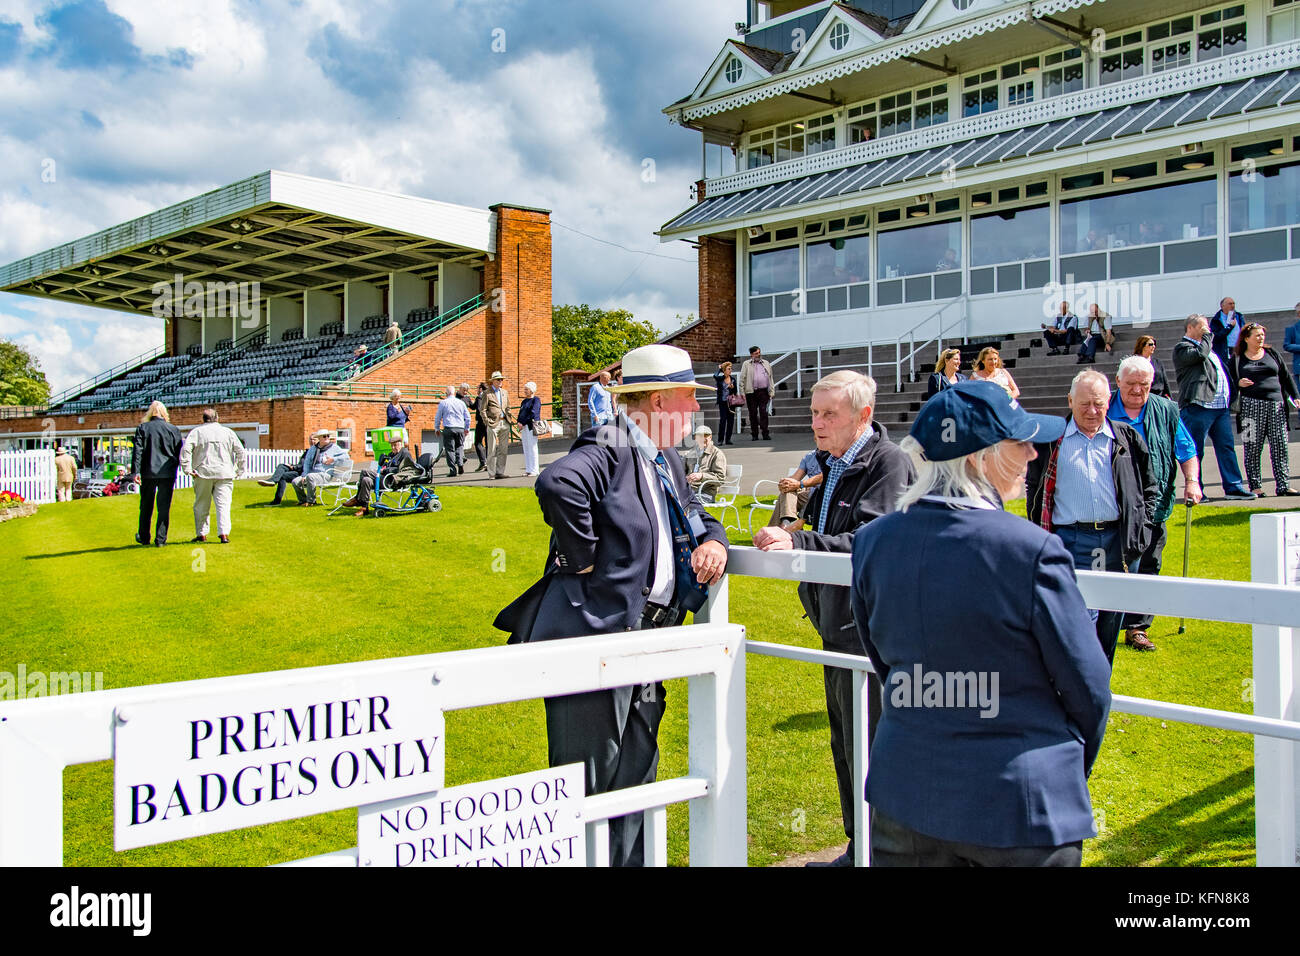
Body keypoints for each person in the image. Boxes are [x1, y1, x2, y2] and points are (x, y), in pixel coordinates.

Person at [852, 380, 1111, 867]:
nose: (1033, 454)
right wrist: (1060, 765)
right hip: (1018, 807)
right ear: (978, 457)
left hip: (906, 796)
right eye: (1020, 442)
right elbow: (1089, 686)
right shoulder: (1031, 550)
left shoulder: (874, 542)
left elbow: (885, 662)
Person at [492, 343, 728, 867]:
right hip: (594, 637)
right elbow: (557, 483)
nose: (696, 408)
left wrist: (714, 540)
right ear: (660, 402)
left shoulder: (665, 457)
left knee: (637, 773)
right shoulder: (612, 440)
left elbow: (695, 511)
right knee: (588, 782)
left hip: (644, 638)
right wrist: (581, 558)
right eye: (689, 397)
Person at [753, 370, 913, 867]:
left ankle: (880, 853)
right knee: (846, 741)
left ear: (864, 416)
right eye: (814, 413)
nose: (818, 423)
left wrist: (799, 540)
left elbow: (873, 539)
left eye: (829, 415)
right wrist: (791, 530)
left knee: (870, 745)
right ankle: (860, 847)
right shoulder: (833, 462)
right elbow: (832, 528)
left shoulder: (888, 462)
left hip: (871, 632)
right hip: (837, 626)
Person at [1026, 370, 1158, 665]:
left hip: (1117, 543)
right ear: (1070, 401)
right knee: (1076, 623)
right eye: (1084, 403)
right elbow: (1034, 489)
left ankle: (1102, 685)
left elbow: (1149, 486)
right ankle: (1076, 684)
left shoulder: (1126, 437)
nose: (1092, 411)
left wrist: (1141, 527)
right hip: (1070, 541)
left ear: (1109, 402)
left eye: (1098, 403)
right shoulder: (1052, 441)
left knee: (1110, 622)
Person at [1108, 356, 1204, 651]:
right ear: (1118, 381)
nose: (1138, 390)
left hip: (1154, 500)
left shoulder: (1166, 410)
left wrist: (1192, 481)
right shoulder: (1102, 406)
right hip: (1111, 500)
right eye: (1131, 384)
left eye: (1145, 384)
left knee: (1149, 563)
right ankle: (1104, 622)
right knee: (1111, 564)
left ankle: (1136, 627)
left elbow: (1186, 450)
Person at [1174, 313, 1256, 500]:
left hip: (1220, 407)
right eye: (1202, 327)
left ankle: (1234, 487)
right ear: (1190, 328)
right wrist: (1207, 337)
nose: (1207, 330)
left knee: (1226, 447)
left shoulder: (1208, 348)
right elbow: (1199, 355)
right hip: (1198, 406)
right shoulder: (1183, 348)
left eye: (1207, 327)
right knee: (1195, 450)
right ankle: (1196, 490)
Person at [1231, 323, 1299, 497]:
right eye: (1257, 335)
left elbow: (1285, 376)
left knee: (1280, 446)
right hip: (1249, 407)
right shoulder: (1237, 358)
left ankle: (1283, 485)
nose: (1261, 338)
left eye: (1262, 335)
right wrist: (1238, 383)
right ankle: (1255, 486)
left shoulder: (1272, 353)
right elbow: (1228, 380)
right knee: (1252, 447)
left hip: (1276, 406)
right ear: (1247, 338)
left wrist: (1296, 396)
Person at [180, 408, 245, 544]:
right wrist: (240, 469)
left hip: (203, 472)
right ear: (217, 418)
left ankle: (202, 534)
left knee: (201, 505)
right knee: (223, 505)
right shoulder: (228, 432)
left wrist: (187, 469)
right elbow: (240, 451)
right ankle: (224, 533)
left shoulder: (197, 432)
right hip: (224, 473)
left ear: (203, 419)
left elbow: (186, 450)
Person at [129, 401, 182, 546]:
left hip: (148, 472)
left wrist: (136, 472)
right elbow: (178, 451)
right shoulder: (173, 429)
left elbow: (138, 451)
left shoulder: (143, 428)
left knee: (146, 505)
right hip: (167, 472)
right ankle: (161, 539)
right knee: (164, 507)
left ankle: (144, 536)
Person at [343, 437, 416, 516]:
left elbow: (402, 469)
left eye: (395, 445)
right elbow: (385, 465)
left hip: (392, 481)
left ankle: (357, 499)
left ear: (401, 444)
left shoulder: (405, 453)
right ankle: (364, 508)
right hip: (383, 478)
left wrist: (384, 470)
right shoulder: (391, 454)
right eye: (391, 446)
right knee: (366, 480)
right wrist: (383, 468)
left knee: (364, 471)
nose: (393, 448)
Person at [766, 448, 822, 528]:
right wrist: (785, 483)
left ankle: (779, 529)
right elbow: (795, 478)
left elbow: (823, 477)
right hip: (809, 495)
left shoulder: (834, 455)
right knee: (788, 490)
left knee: (786, 496)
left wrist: (800, 484)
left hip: (824, 497)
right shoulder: (810, 456)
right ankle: (787, 523)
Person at [292, 430, 346, 505]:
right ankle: (303, 501)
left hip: (325, 474)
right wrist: (304, 475)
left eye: (328, 436)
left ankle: (311, 501)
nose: (327, 437)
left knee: (310, 476)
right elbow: (307, 463)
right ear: (319, 438)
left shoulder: (334, 448)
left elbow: (346, 456)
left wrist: (333, 459)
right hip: (312, 474)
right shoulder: (313, 449)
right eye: (324, 436)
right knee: (295, 481)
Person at [435, 384, 471, 477]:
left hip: (449, 427)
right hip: (460, 428)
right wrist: (467, 428)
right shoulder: (461, 403)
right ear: (454, 393)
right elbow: (468, 417)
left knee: (450, 449)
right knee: (459, 446)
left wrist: (437, 428)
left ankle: (452, 470)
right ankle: (460, 464)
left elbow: (438, 417)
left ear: (446, 393)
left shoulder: (443, 403)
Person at [739, 345, 774, 441]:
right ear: (751, 355)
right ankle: (754, 434)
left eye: (759, 352)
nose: (758, 355)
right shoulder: (746, 364)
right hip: (751, 392)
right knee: (753, 413)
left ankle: (765, 433)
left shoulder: (766, 363)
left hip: (763, 392)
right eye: (756, 353)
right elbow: (742, 379)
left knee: (763, 412)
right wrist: (742, 393)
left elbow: (770, 378)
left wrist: (771, 391)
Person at [483, 372, 512, 478]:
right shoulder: (487, 393)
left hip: (504, 422)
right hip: (493, 423)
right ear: (493, 381)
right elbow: (483, 410)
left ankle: (500, 472)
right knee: (491, 449)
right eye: (498, 379)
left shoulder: (504, 392)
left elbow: (508, 406)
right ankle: (491, 473)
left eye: (501, 379)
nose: (500, 381)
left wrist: (509, 416)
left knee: (503, 449)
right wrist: (487, 421)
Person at [684, 424, 727, 496]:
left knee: (685, 501)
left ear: (710, 437)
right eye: (700, 436)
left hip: (705, 492)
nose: (703, 438)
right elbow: (680, 472)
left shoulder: (717, 454)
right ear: (695, 438)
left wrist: (702, 476)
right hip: (688, 491)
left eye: (705, 436)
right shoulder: (690, 453)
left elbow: (720, 478)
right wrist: (685, 478)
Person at [1209, 296, 1246, 371]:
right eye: (1230, 304)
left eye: (1233, 303)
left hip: (1238, 348)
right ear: (1222, 306)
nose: (1232, 306)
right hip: (1226, 350)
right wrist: (1229, 327)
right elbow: (1216, 337)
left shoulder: (1238, 316)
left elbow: (1244, 331)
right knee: (1228, 369)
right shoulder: (1216, 319)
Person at [517, 381, 543, 477]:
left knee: (532, 447)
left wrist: (523, 422)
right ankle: (528, 469)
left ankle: (535, 470)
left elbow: (533, 413)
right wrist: (519, 422)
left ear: (531, 390)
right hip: (523, 427)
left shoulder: (536, 400)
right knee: (526, 447)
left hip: (531, 426)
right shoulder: (524, 401)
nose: (525, 391)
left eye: (526, 389)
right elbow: (521, 413)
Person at [1134, 335, 1171, 399]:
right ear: (1143, 346)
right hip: (1145, 397)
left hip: (1160, 397)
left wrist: (1169, 397)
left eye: (1154, 344)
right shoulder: (1135, 362)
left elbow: (1165, 382)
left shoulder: (1158, 362)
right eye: (1150, 344)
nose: (1153, 346)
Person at [713, 361, 738, 445]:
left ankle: (728, 439)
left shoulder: (733, 379)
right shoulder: (720, 379)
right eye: (728, 369)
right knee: (723, 420)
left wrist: (732, 388)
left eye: (731, 368)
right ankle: (720, 440)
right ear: (724, 370)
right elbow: (715, 376)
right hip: (723, 402)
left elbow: (735, 391)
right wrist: (720, 369)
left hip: (731, 402)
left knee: (731, 421)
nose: (730, 370)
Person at [471, 382, 489, 472]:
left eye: (477, 388)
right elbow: (473, 406)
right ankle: (489, 463)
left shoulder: (480, 397)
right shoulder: (490, 396)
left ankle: (483, 462)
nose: (476, 390)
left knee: (477, 442)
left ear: (481, 389)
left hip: (481, 423)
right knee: (488, 443)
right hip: (489, 423)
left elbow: (478, 408)